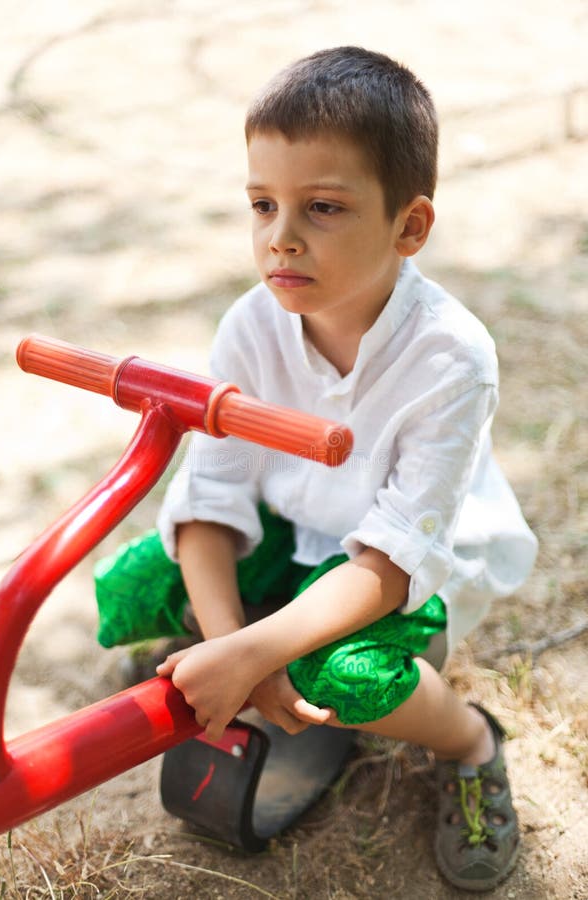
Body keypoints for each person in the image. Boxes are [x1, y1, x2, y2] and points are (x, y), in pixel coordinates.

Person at [146, 47, 536, 891]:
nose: (279, 236)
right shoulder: (251, 325)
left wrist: (253, 653)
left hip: (394, 569)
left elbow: (388, 562)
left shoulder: (451, 358)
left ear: (410, 227)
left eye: (321, 207)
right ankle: (242, 633)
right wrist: (236, 653)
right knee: (145, 575)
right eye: (261, 204)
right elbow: (209, 497)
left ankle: (471, 743)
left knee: (352, 675)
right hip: (297, 522)